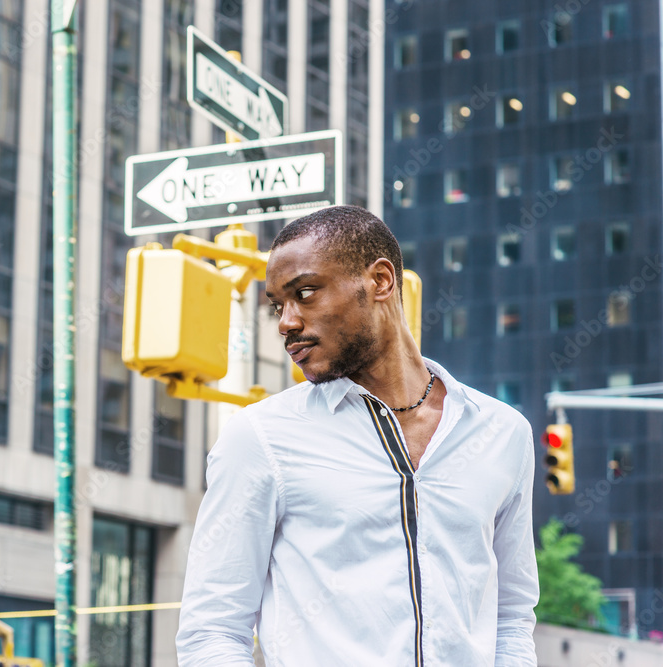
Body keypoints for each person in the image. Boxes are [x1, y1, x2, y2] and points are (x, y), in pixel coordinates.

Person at [175, 206, 539, 666]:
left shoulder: (502, 432)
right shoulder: (260, 437)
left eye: (305, 294)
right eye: (277, 306)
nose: (286, 322)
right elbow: (212, 630)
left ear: (381, 281)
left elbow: (511, 615)